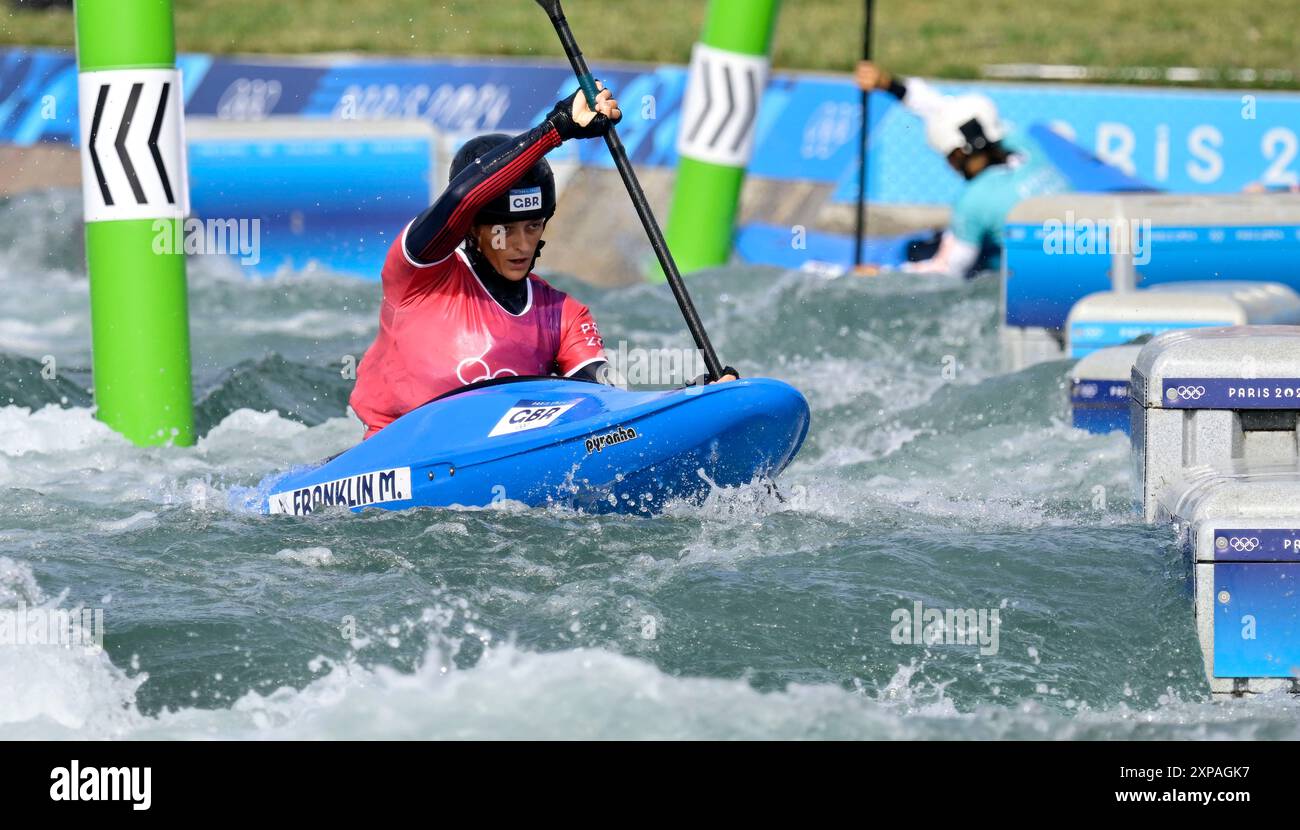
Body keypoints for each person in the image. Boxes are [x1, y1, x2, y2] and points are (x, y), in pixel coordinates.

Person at [349, 82, 733, 439]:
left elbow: (610, 404)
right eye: (504, 229)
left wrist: (695, 398)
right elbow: (461, 199)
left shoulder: (563, 313)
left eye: (532, 227)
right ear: (471, 228)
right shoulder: (420, 275)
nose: (520, 244)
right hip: (388, 456)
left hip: (498, 460)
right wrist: (556, 129)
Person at [854, 61, 1070, 278]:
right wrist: (890, 85)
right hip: (1072, 254)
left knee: (918, 251)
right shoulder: (1022, 142)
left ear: (958, 155)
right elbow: (943, 110)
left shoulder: (974, 202)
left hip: (1020, 281)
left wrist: (882, 275)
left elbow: (947, 272)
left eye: (947, 157)